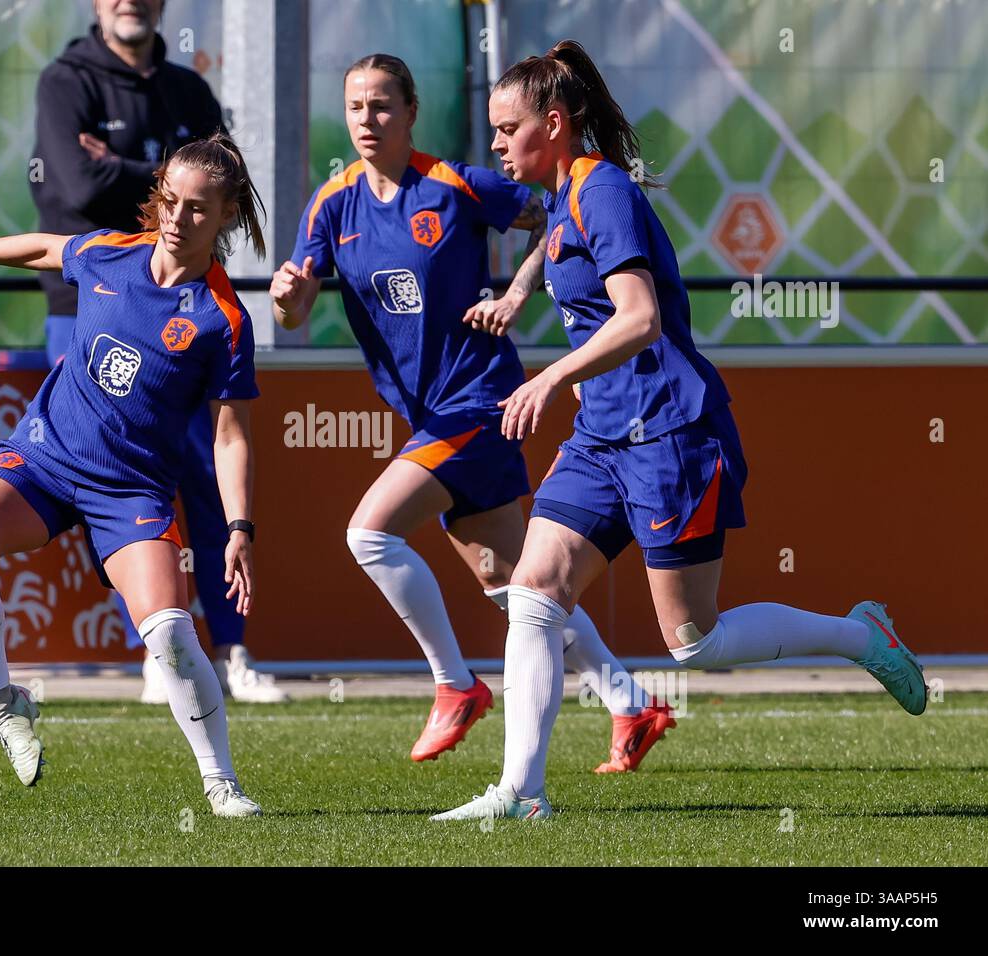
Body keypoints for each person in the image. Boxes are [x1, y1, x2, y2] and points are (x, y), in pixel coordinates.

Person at [433, 41, 927, 821]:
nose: (493, 144)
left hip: (671, 432)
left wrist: (552, 375)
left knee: (693, 641)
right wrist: (520, 293)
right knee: (532, 596)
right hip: (601, 437)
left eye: (505, 128)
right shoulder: (564, 196)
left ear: (554, 124)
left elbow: (640, 318)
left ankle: (861, 638)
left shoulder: (604, 193)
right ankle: (520, 796)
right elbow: (550, 246)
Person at [271, 54, 672, 769]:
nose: (368, 119)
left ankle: (456, 686)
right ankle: (630, 702)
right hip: (428, 414)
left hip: (479, 401)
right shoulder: (332, 205)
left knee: (368, 533)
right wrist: (285, 294)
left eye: (384, 105)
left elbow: (557, 215)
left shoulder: (456, 185)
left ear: (411, 111)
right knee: (515, 587)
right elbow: (296, 311)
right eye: (357, 107)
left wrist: (517, 293)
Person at [0, 134, 269, 817]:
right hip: (44, 458)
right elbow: (43, 247)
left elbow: (231, 433)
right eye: (172, 202)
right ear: (158, 198)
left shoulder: (224, 320)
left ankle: (223, 785)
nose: (179, 219)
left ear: (227, 218)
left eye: (199, 209)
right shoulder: (110, 254)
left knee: (171, 634)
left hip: (131, 492)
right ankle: (4, 705)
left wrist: (239, 525)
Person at [32, 0, 285, 703]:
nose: (131, 2)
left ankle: (234, 651)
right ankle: (158, 650)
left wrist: (124, 164)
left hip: (187, 316)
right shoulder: (65, 81)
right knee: (105, 480)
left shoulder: (188, 88)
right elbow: (77, 186)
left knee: (207, 479)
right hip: (92, 309)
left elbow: (225, 180)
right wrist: (168, 174)